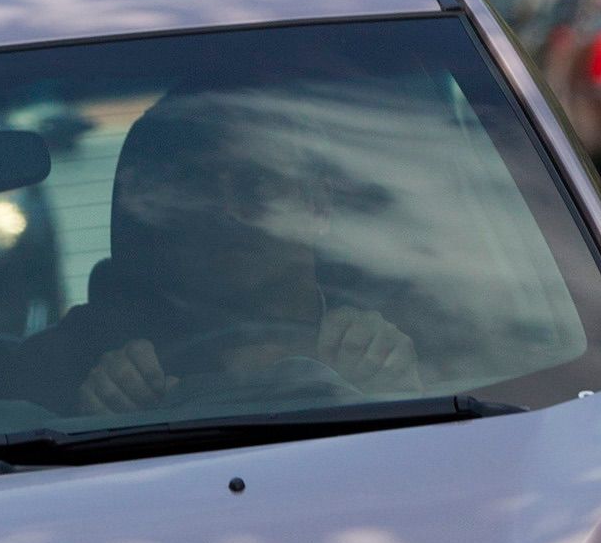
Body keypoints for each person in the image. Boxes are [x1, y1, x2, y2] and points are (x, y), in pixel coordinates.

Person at [38, 85, 425, 416]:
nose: (226, 213)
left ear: (317, 206)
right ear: (158, 217)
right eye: (196, 189)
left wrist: (405, 393)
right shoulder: (81, 356)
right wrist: (93, 419)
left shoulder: (414, 331)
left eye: (255, 185)